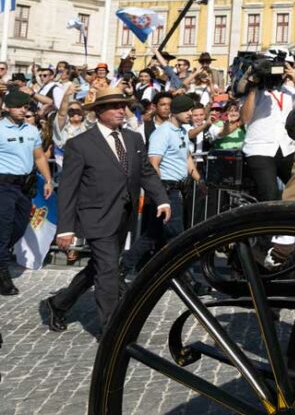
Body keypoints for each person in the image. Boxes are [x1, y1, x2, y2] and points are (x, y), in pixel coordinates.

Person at [45, 90, 170, 332]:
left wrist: (162, 200)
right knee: (109, 269)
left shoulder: (133, 139)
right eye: (114, 106)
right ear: (99, 111)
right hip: (96, 216)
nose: (121, 110)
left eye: (123, 106)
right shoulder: (79, 144)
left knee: (102, 265)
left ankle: (59, 303)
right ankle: (112, 332)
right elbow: (69, 190)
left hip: (124, 215)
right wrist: (65, 228)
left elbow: (145, 172)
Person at [122, 94, 206, 279]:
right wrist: (158, 193)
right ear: (175, 112)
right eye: (187, 110)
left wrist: (198, 180)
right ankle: (187, 278)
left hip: (177, 188)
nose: (190, 114)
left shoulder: (182, 131)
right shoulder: (163, 132)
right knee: (178, 235)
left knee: (151, 236)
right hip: (166, 188)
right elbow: (154, 163)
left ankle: (123, 267)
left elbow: (187, 157)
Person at [0, 91, 54, 295]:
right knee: (4, 228)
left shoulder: (31, 130)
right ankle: (3, 275)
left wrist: (48, 180)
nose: (24, 109)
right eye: (19, 106)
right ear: (7, 107)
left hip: (24, 185)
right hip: (3, 183)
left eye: (26, 106)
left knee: (20, 227)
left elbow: (39, 157)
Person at [239, 54, 295, 205]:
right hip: (259, 149)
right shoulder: (255, 92)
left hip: (285, 147)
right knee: (270, 195)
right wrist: (254, 87)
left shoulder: (288, 90)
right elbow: (245, 118)